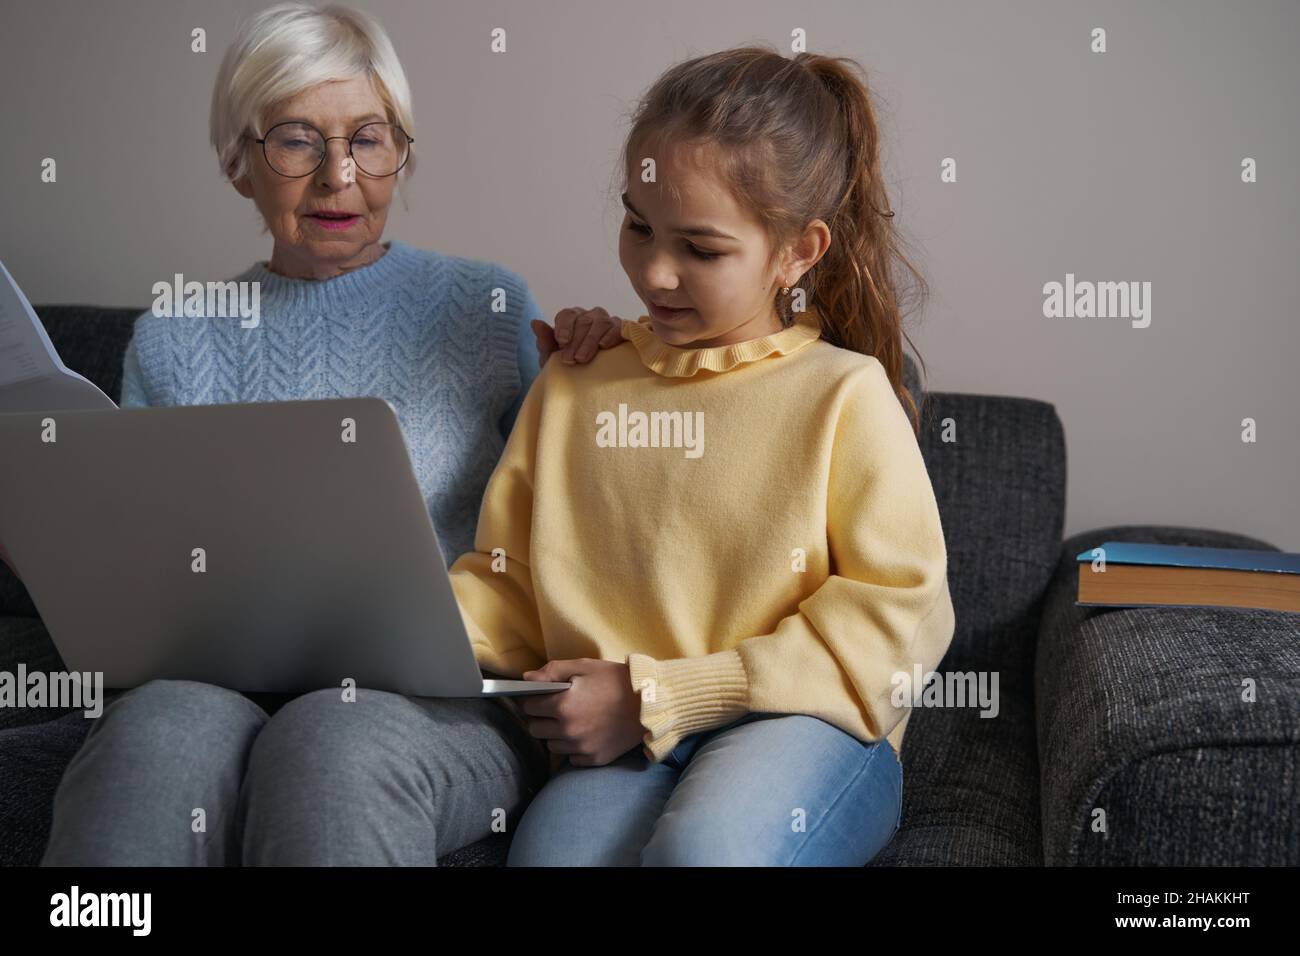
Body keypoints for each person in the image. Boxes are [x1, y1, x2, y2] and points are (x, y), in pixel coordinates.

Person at [13, 2, 623, 866]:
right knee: (151, 743)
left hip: (431, 706)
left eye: (369, 138)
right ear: (239, 164)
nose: (340, 176)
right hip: (213, 683)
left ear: (400, 150)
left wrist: (600, 376)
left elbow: (586, 523)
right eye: (297, 140)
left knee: (330, 745)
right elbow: (132, 576)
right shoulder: (176, 332)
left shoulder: (486, 309)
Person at [445, 46, 957, 865]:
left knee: (710, 852)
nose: (653, 271)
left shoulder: (846, 396)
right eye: (637, 225)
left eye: (702, 249)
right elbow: (507, 586)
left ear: (798, 251)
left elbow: (899, 620)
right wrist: (386, 632)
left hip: (802, 725)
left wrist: (660, 693)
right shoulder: (577, 382)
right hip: (625, 740)